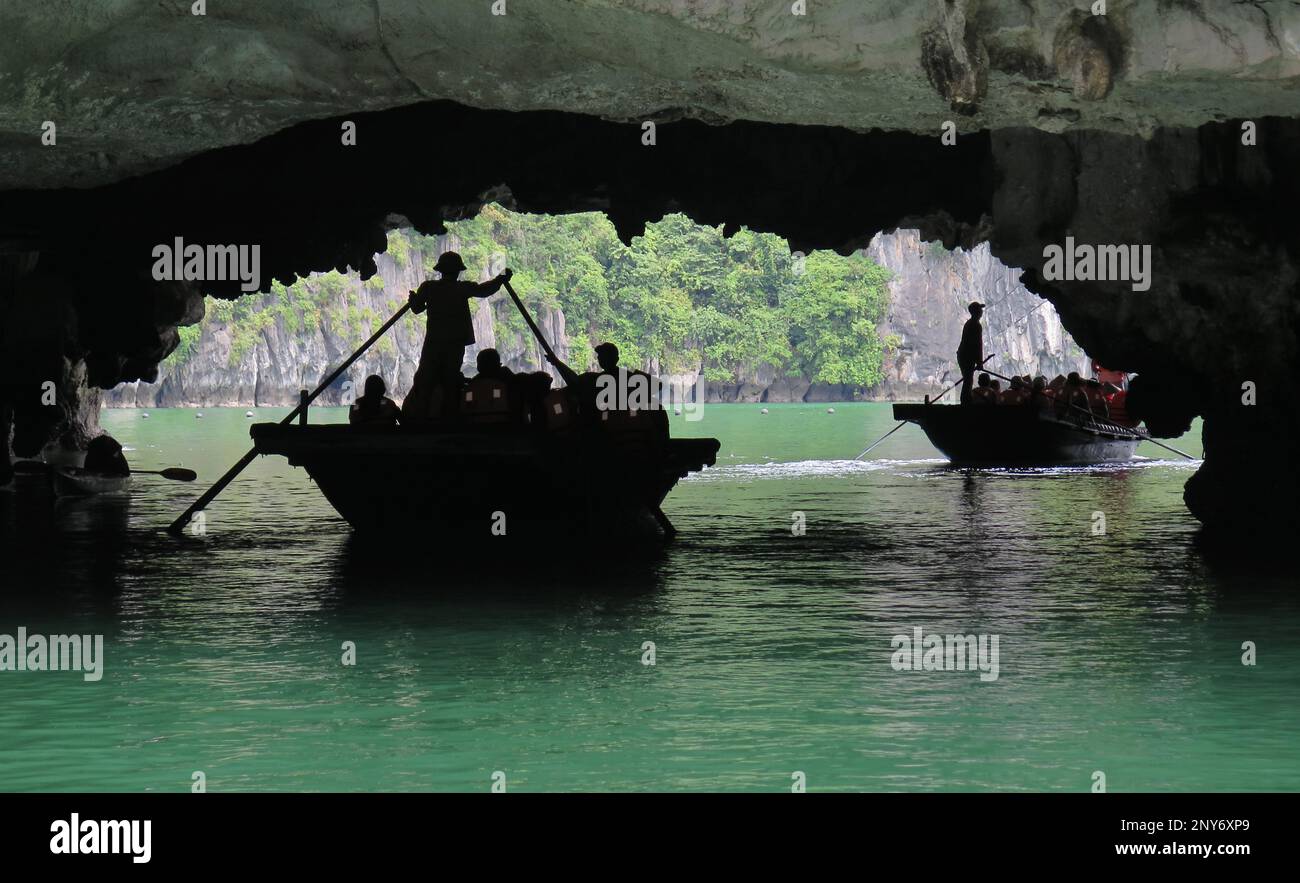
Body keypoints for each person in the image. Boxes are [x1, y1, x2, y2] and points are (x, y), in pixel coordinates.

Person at [404, 252, 512, 420]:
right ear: (458, 271)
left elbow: (417, 308)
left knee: (426, 380)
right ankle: (449, 419)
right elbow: (484, 290)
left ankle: (420, 419)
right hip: (454, 344)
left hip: (433, 343)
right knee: (450, 381)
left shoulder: (428, 287)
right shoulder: (463, 288)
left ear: (440, 270)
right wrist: (501, 278)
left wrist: (413, 299)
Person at [956, 302, 985, 406]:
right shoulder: (975, 325)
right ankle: (966, 403)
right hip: (966, 356)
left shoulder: (970, 323)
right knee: (968, 380)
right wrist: (980, 362)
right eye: (980, 309)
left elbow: (976, 345)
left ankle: (966, 401)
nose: (982, 311)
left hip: (963, 355)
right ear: (977, 312)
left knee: (968, 379)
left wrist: (978, 361)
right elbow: (977, 344)